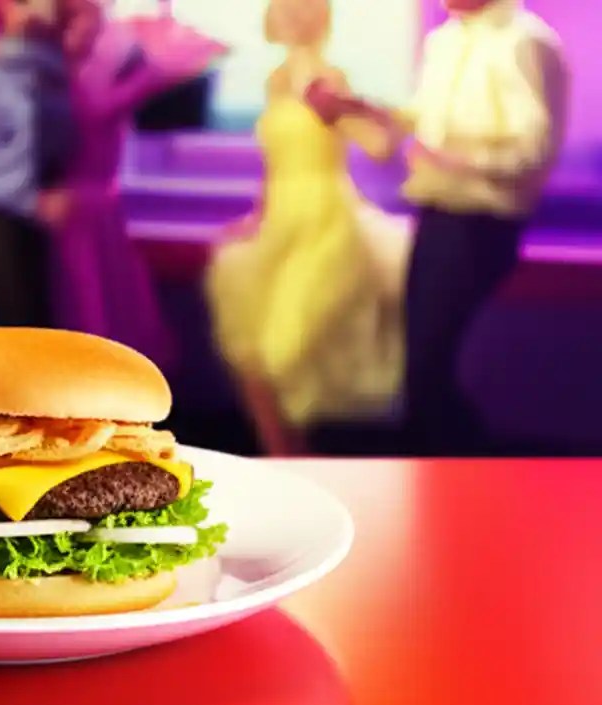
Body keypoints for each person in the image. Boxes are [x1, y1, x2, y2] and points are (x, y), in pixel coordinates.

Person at [308, 0, 568, 455]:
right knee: (421, 372)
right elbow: (424, 123)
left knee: (431, 368)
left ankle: (476, 488)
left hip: (482, 222)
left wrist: (456, 163)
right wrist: (360, 107)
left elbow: (534, 149)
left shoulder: (525, 41)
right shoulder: (444, 40)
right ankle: (437, 489)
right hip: (435, 214)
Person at [204, 0, 409, 456]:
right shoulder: (274, 79)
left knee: (285, 348)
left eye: (304, 9)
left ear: (322, 18)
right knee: (251, 351)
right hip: (281, 220)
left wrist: (373, 115)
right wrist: (257, 217)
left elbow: (379, 148)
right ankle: (285, 460)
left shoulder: (331, 79)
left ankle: (300, 464)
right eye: (287, 8)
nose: (294, 17)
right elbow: (274, 162)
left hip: (324, 220)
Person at [54, 0, 224, 370]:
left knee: (118, 313)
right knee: (89, 315)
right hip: (79, 214)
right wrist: (156, 74)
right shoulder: (55, 74)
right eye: (79, 23)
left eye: (96, 24)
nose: (89, 32)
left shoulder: (100, 60)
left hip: (105, 210)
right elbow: (98, 109)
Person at [0, 0, 76, 328]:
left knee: (48, 324)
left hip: (44, 210)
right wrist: (31, 200)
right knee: (21, 327)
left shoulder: (49, 66)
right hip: (2, 215)